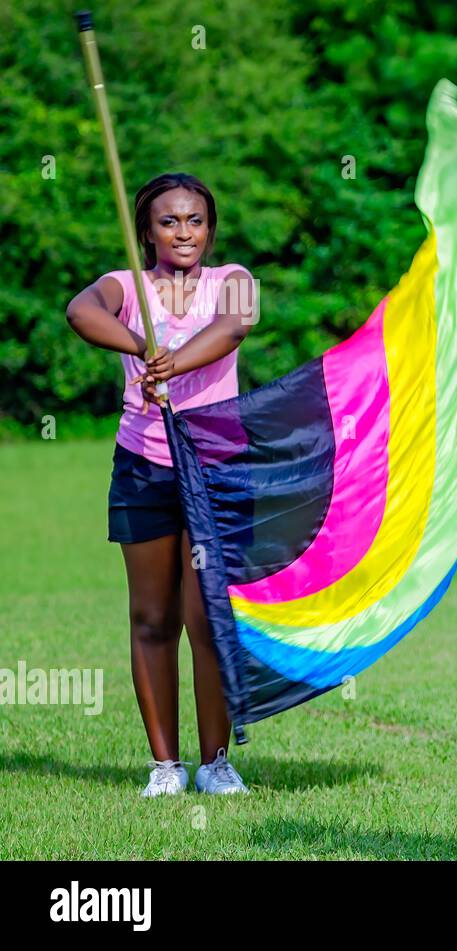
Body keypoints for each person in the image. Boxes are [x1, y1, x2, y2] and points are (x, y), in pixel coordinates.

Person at [66, 172, 258, 798]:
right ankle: (166, 766)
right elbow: (80, 311)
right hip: (143, 465)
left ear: (210, 228)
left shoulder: (234, 280)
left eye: (196, 221)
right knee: (152, 617)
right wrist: (141, 341)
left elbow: (232, 328)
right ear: (146, 229)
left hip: (215, 467)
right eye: (170, 221)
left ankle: (216, 762)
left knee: (207, 618)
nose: (185, 233)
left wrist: (173, 361)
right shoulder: (126, 288)